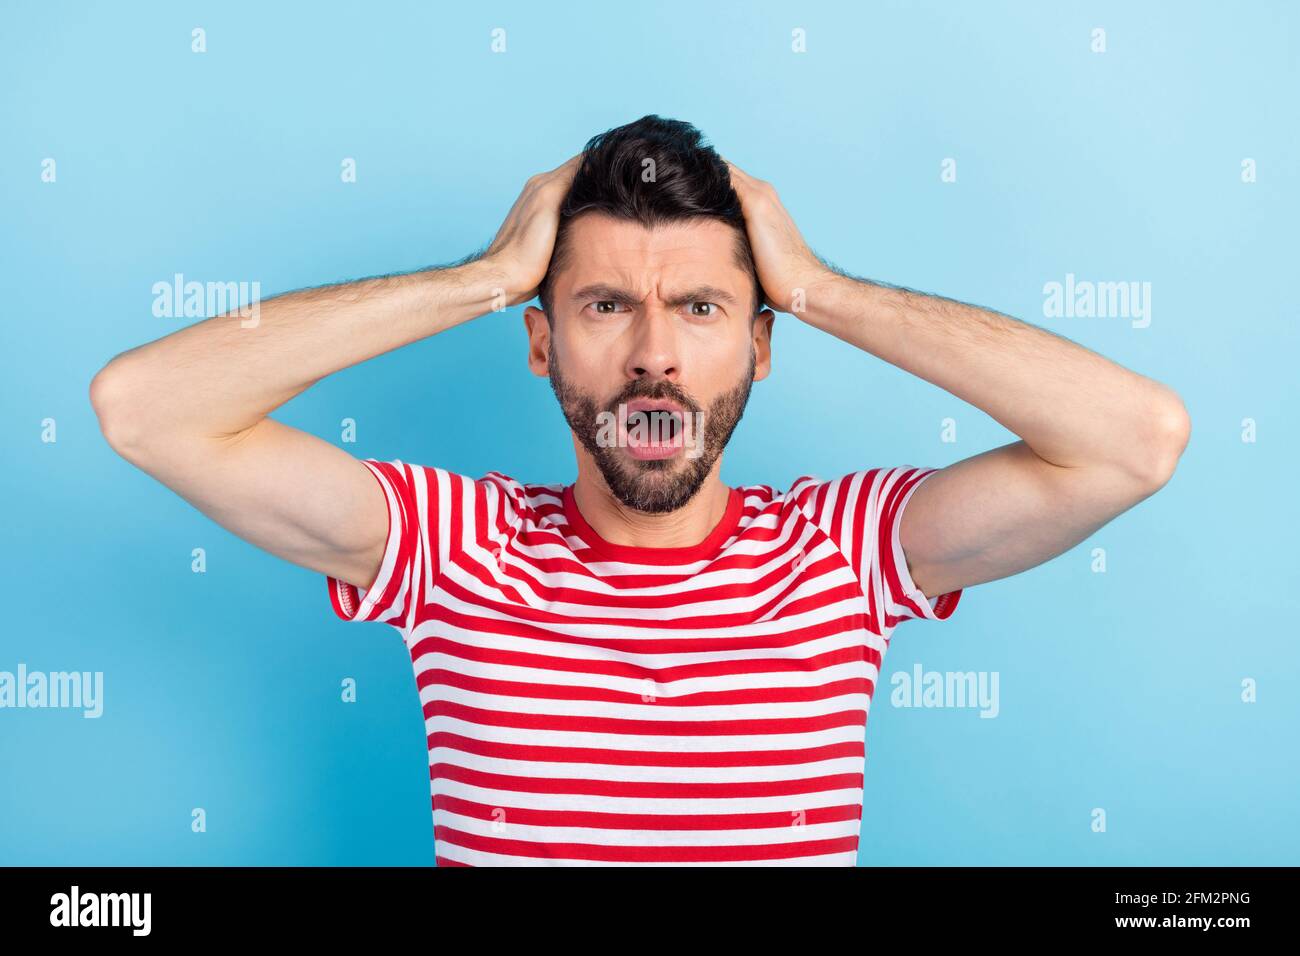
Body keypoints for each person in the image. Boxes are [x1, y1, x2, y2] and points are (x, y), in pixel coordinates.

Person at [90, 114, 1190, 866]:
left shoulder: (844, 549)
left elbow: (1134, 440)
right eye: (606, 305)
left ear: (762, 347)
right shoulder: (451, 545)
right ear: (541, 341)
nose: (654, 355)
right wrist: (477, 276)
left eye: (703, 310)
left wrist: (818, 289)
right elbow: (144, 406)